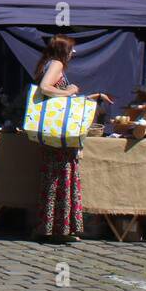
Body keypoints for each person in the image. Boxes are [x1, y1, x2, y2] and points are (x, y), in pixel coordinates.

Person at [32, 35, 112, 242]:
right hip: (60, 137)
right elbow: (45, 88)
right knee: (61, 178)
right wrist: (69, 91)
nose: (73, 53)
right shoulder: (57, 64)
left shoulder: (49, 63)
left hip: (54, 135)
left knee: (55, 179)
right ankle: (57, 230)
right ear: (62, 50)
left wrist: (89, 96)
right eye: (70, 49)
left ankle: (53, 228)